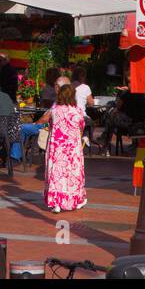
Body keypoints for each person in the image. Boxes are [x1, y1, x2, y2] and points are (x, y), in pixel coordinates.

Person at [36, 83, 87, 213]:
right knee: (72, 174)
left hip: (57, 147)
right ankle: (75, 200)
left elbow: (51, 125)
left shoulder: (54, 111)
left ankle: (56, 203)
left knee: (56, 174)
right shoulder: (78, 111)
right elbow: (81, 126)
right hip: (72, 149)